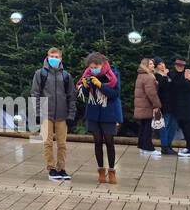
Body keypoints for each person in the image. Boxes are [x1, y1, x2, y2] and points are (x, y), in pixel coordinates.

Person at [31, 47, 75, 181]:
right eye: (52, 56)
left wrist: (71, 114)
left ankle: (61, 168)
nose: (54, 59)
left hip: (62, 114)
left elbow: (71, 96)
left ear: (61, 58)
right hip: (46, 114)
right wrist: (37, 112)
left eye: (57, 57)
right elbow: (35, 93)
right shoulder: (40, 74)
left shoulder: (66, 76)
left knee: (62, 144)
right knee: (48, 143)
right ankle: (51, 169)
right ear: (47, 56)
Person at [79, 52, 122, 184]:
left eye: (96, 66)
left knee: (109, 141)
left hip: (109, 113)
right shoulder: (88, 74)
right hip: (93, 112)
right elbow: (84, 94)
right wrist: (85, 87)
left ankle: (112, 171)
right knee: (97, 141)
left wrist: (100, 85)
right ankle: (101, 171)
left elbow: (115, 93)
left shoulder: (112, 74)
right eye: (91, 67)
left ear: (103, 64)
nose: (94, 69)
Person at [166, 56, 190, 158]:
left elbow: (184, 87)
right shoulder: (173, 74)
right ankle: (189, 147)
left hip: (187, 106)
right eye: (178, 65)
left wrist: (189, 80)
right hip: (179, 107)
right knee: (185, 128)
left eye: (181, 65)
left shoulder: (187, 74)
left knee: (188, 128)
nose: (179, 67)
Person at [133, 57, 162, 157]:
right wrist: (157, 105)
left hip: (141, 105)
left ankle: (142, 147)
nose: (153, 65)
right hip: (147, 105)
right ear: (145, 66)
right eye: (150, 64)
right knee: (148, 128)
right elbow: (152, 94)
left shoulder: (140, 75)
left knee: (143, 127)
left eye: (153, 64)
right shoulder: (149, 77)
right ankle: (149, 148)